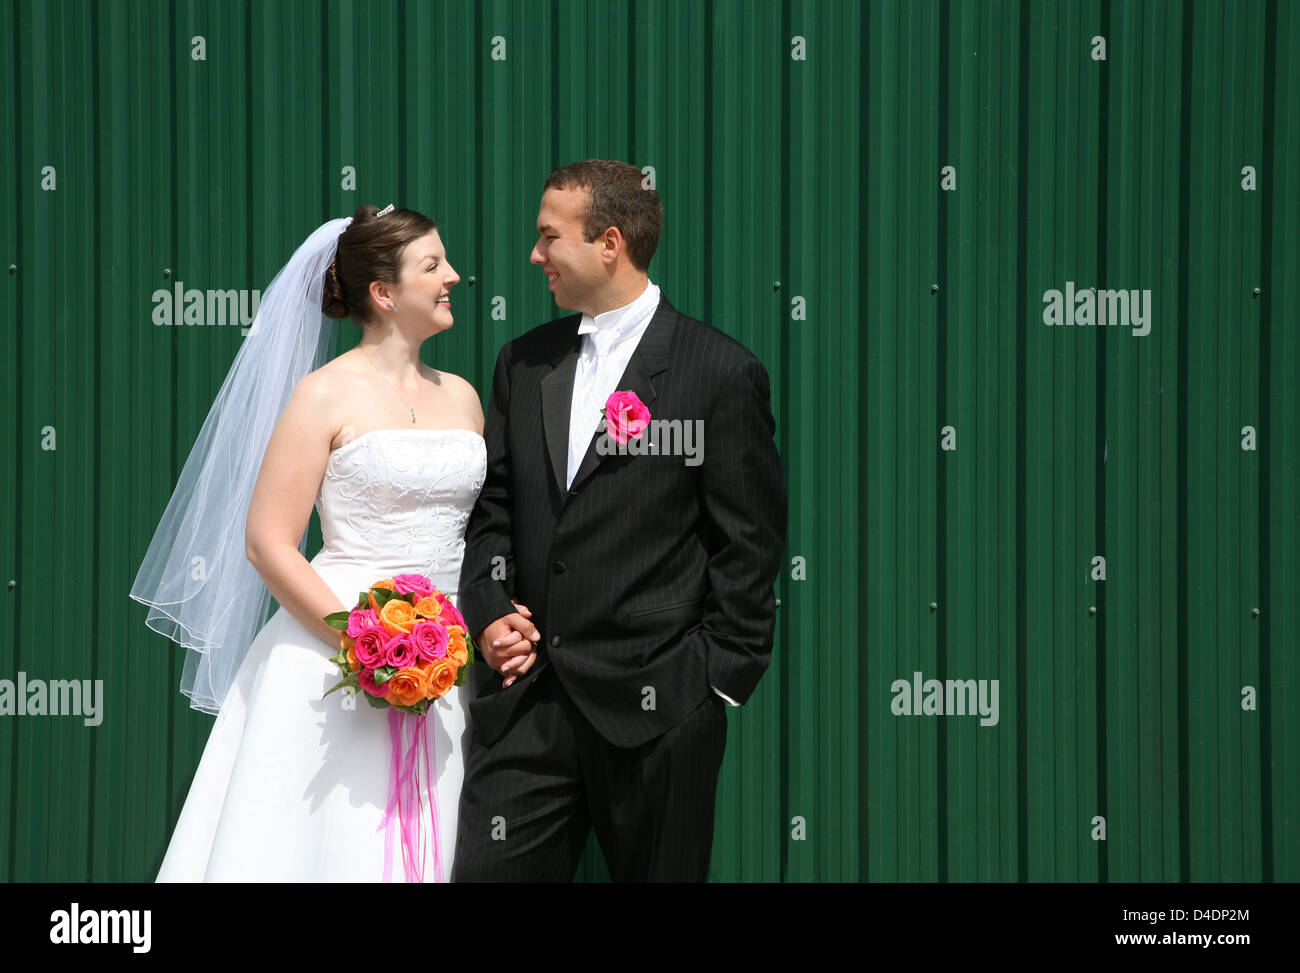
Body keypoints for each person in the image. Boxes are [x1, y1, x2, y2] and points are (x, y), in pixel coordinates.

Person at [132, 204, 494, 881]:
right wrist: (362, 643)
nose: (453, 276)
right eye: (433, 265)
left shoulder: (466, 398)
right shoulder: (322, 396)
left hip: (451, 658)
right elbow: (268, 542)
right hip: (336, 651)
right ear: (384, 293)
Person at [452, 160, 787, 881]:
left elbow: (750, 546)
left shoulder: (719, 372)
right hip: (527, 702)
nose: (534, 255)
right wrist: (484, 608)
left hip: (660, 709)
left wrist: (713, 682)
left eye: (548, 237)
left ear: (609, 243)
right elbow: (496, 506)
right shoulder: (524, 361)